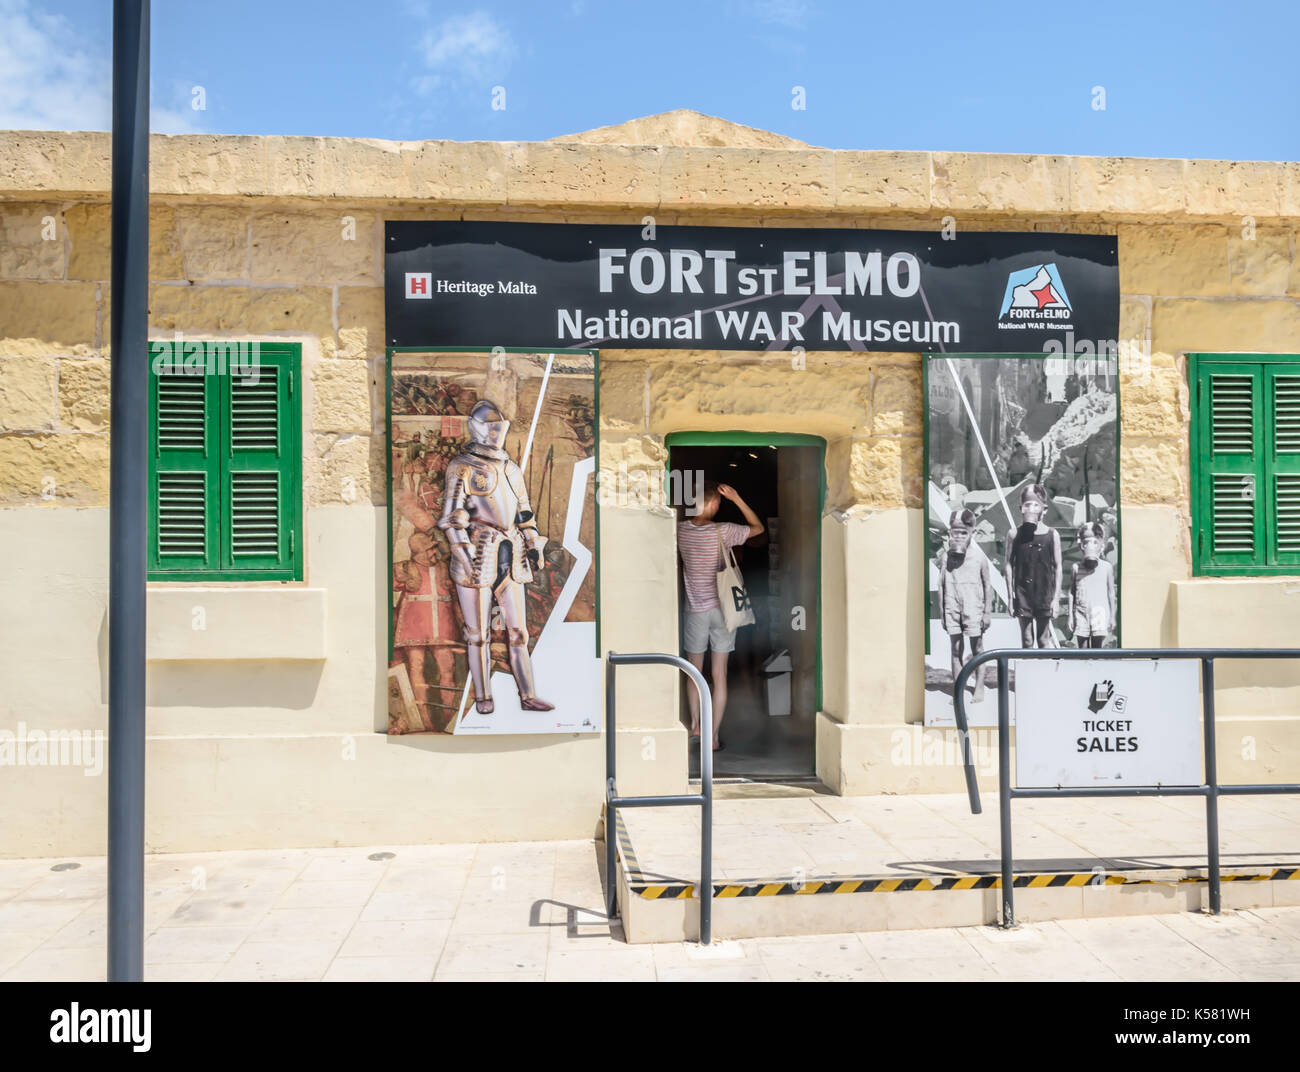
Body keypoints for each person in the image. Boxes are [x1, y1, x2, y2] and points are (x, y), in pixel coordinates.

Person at [437, 400, 553, 715]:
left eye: (499, 426)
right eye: (489, 425)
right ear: (476, 427)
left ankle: (527, 693)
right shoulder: (463, 466)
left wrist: (532, 541)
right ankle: (483, 696)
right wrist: (462, 552)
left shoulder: (511, 468)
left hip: (510, 552)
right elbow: (451, 517)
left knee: (518, 632)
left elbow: (523, 511)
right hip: (477, 551)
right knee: (478, 635)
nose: (495, 431)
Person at [676, 481, 763, 751]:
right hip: (724, 611)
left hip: (695, 610)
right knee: (720, 674)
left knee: (694, 671)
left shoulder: (679, 531)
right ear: (714, 504)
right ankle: (713, 738)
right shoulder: (723, 531)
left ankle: (696, 727)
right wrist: (737, 498)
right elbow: (758, 529)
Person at [391, 531, 460, 733]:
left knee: (448, 669)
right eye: (430, 548)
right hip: (415, 627)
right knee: (417, 669)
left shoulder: (444, 568)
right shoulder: (406, 568)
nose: (434, 552)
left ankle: (448, 717)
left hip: (443, 626)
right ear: (419, 552)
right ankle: (423, 718)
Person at [936, 509, 992, 703]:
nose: (958, 537)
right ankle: (958, 688)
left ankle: (979, 686)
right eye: (954, 532)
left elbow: (987, 586)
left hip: (973, 609)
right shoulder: (945, 558)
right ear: (949, 533)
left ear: (973, 533)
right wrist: (943, 613)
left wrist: (986, 612)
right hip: (953, 608)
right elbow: (941, 586)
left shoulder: (979, 559)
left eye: (963, 533)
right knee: (955, 649)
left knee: (977, 648)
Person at [1005, 483, 1061, 649]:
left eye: (1036, 505)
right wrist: (1010, 598)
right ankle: (1028, 674)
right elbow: (1008, 564)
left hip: (1044, 593)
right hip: (1023, 594)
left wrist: (1056, 599)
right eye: (1027, 505)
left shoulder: (1052, 535)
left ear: (1044, 509)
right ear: (1021, 508)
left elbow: (1058, 567)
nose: (1031, 508)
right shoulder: (1014, 534)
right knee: (1027, 640)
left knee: (1043, 640)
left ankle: (1044, 674)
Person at [1069, 521, 1116, 648]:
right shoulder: (1076, 568)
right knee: (1082, 649)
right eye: (1086, 542)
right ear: (1081, 545)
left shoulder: (1106, 568)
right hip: (1081, 612)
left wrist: (1112, 616)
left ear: (1101, 545)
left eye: (1095, 541)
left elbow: (1111, 593)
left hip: (1099, 612)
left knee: (1097, 649)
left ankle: (1096, 667)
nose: (1090, 545)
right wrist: (1071, 616)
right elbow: (1072, 593)